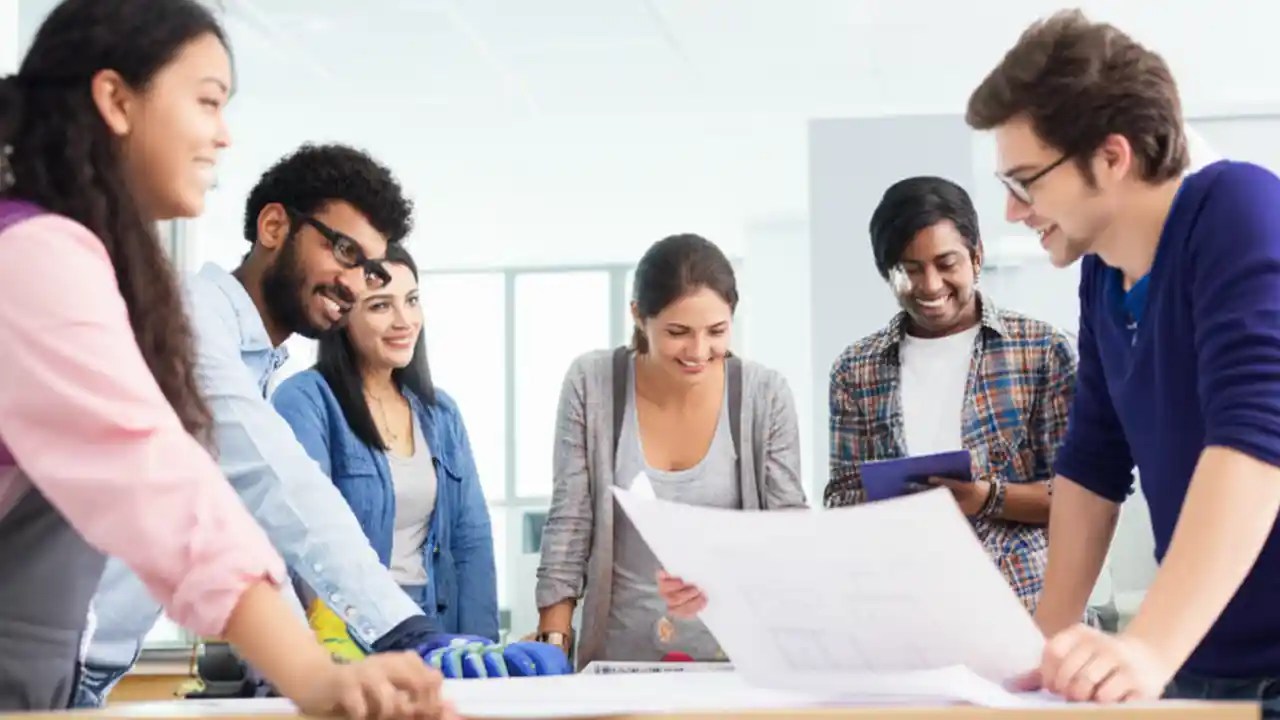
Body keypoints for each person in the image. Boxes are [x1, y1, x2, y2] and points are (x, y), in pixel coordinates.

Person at [0, 1, 451, 716]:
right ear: (116, 99)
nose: (223, 134)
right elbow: (163, 480)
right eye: (207, 101)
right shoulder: (37, 257)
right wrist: (325, 668)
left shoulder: (76, 258)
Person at [78, 141, 564, 701]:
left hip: (90, 667)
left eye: (369, 270)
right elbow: (284, 485)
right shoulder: (190, 319)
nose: (354, 285)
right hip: (42, 648)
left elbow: (245, 543)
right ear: (274, 226)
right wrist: (405, 632)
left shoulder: (253, 359)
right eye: (344, 252)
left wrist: (319, 665)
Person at [966, 10, 1280, 713]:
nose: (1014, 212)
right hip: (1204, 672)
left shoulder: (1238, 207)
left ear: (1111, 158)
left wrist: (1146, 648)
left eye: (1025, 183)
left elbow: (1259, 436)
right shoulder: (1103, 276)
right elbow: (1092, 462)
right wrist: (1044, 641)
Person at [534, 233, 808, 668]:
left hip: (739, 662)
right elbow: (569, 521)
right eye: (678, 333)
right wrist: (552, 640)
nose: (699, 352)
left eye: (716, 331)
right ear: (639, 317)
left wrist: (729, 578)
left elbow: (788, 532)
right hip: (618, 658)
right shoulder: (592, 383)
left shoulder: (764, 394)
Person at [823, 176, 1076, 613]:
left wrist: (986, 497)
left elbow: (1081, 498)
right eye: (910, 269)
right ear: (887, 273)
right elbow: (840, 498)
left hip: (1022, 609)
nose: (931, 284)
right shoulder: (855, 369)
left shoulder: (1042, 350)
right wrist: (893, 502)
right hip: (903, 610)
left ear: (976, 257)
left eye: (946, 263)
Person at [273, 243, 499, 642]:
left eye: (411, 301)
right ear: (342, 316)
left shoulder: (441, 413)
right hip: (351, 635)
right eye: (380, 306)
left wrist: (480, 650)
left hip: (434, 631)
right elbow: (307, 538)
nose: (405, 321)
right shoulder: (305, 401)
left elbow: (471, 542)